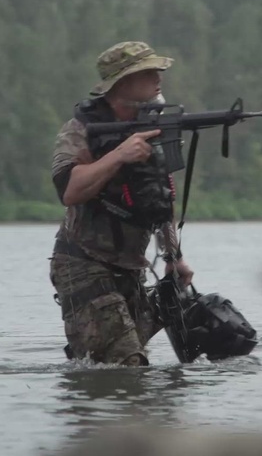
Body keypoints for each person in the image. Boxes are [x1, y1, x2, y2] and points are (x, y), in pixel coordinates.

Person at [49, 41, 195, 366]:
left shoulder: (151, 126)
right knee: (127, 364)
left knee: (120, 370)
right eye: (148, 72)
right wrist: (119, 155)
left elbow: (160, 199)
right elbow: (69, 191)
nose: (159, 77)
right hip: (83, 264)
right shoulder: (80, 131)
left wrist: (174, 258)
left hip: (130, 269)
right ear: (123, 82)